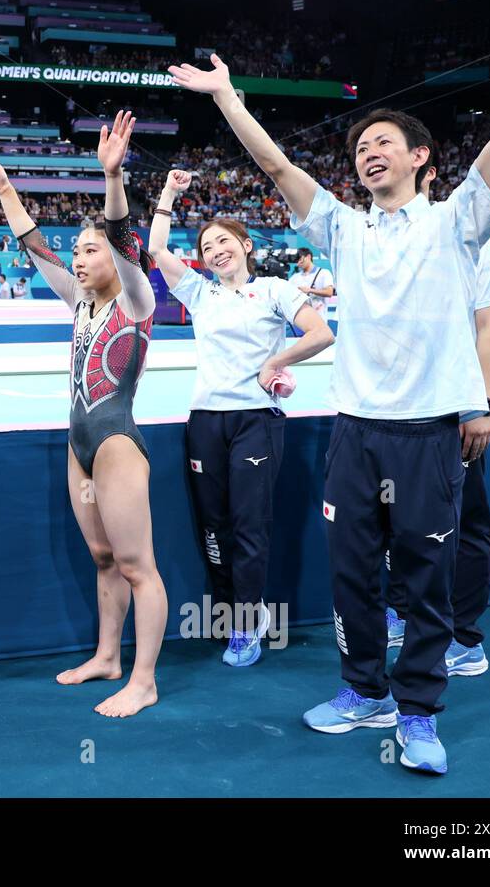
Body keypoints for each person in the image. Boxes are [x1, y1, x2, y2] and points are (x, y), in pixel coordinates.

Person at [167, 0, 490, 773]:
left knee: (425, 581)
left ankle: (421, 713)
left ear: (422, 157)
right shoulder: (341, 231)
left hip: (428, 435)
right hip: (356, 432)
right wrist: (227, 99)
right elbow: (277, 165)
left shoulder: (461, 219)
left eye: (385, 142)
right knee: (352, 577)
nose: (368, 152)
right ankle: (366, 692)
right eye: (361, 147)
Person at [0, 111, 168, 719]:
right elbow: (34, 248)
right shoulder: (78, 303)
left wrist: (112, 178)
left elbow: (124, 234)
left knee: (138, 565)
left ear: (114, 257)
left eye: (89, 250)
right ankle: (108, 656)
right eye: (77, 252)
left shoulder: (137, 299)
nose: (78, 260)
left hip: (114, 442)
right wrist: (6, 192)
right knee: (103, 558)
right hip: (77, 445)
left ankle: (144, 679)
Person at [154, 169, 333, 666]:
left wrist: (276, 363)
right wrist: (169, 194)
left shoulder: (276, 290)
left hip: (256, 420)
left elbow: (320, 334)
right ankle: (225, 617)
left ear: (246, 245)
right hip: (205, 422)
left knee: (250, 525)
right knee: (214, 527)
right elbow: (157, 249)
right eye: (207, 246)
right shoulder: (199, 292)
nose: (214, 251)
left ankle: (248, 626)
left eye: (223, 241)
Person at [384, 161, 490, 676]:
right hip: (397, 411)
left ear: (424, 168)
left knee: (463, 525)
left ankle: (464, 637)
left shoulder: (473, 237)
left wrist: (479, 403)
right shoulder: (380, 238)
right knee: (399, 522)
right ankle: (403, 613)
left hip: (456, 406)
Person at [288, 248, 333, 313]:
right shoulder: (294, 277)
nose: (298, 263)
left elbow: (329, 292)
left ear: (308, 257)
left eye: (300, 259)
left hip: (319, 316)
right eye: (296, 261)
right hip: (300, 317)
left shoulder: (324, 273)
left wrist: (310, 290)